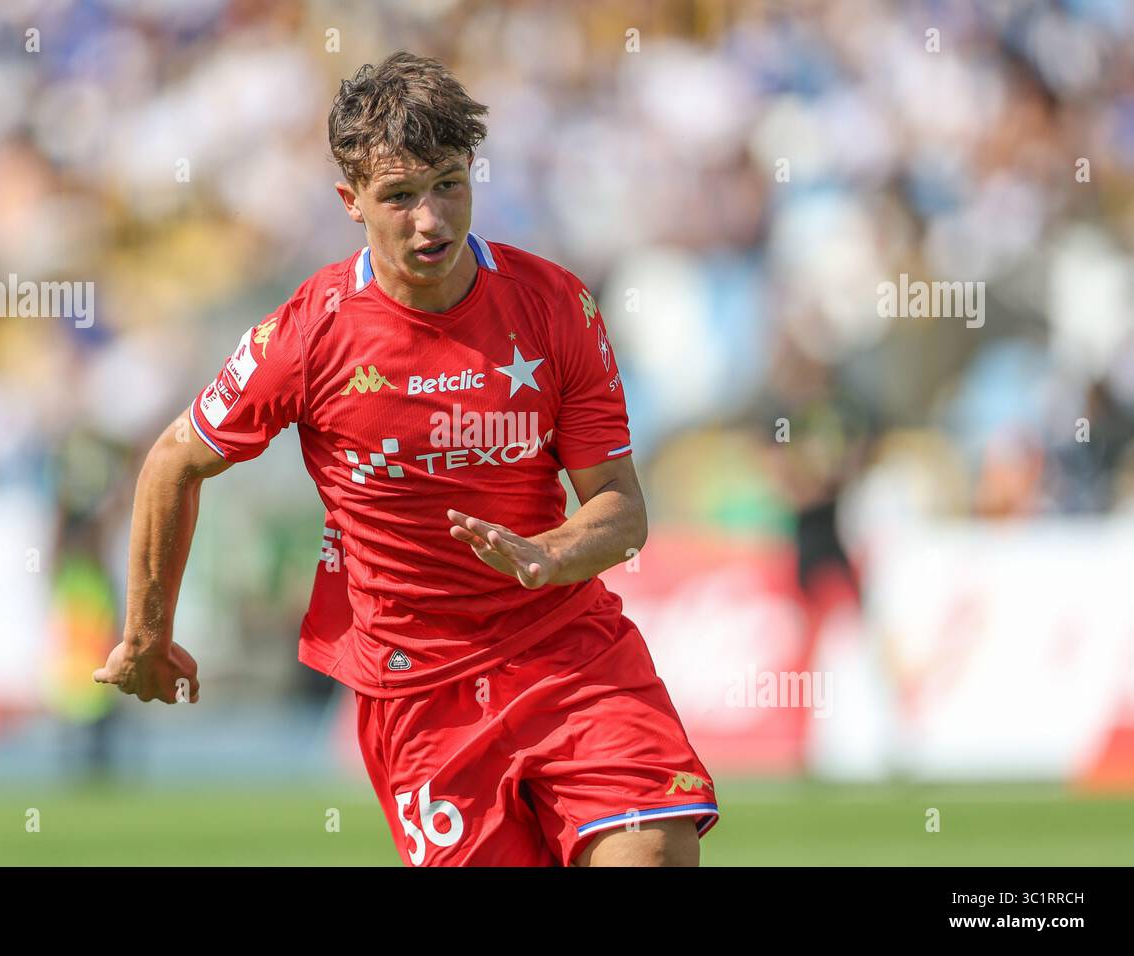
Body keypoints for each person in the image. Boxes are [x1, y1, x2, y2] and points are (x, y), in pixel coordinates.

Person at [94, 51, 718, 866]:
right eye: (399, 196)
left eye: (449, 184)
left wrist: (549, 554)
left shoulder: (555, 305)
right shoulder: (309, 333)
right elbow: (173, 462)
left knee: (654, 854)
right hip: (421, 692)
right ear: (350, 202)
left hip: (567, 653)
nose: (431, 220)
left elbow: (621, 508)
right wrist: (146, 633)